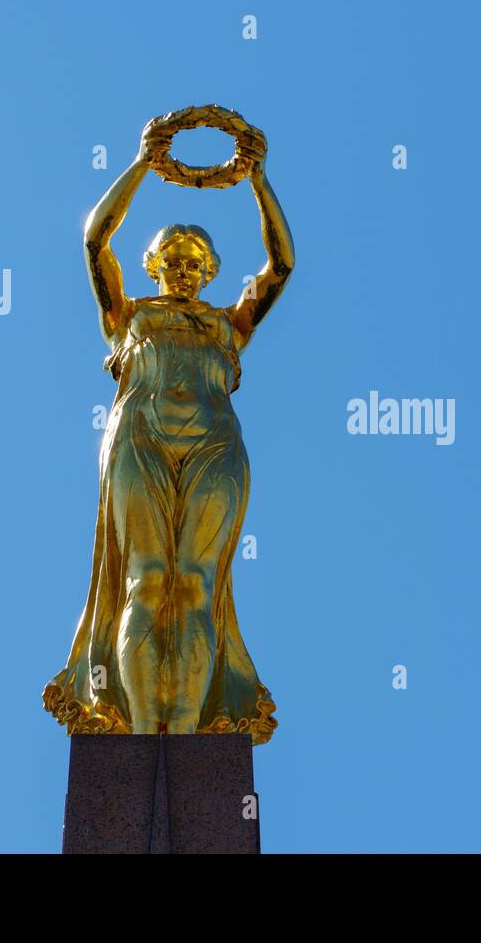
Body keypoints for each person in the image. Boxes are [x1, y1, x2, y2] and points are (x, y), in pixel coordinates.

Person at [42, 116, 294, 742]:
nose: (184, 270)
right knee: (148, 579)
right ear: (153, 265)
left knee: (196, 585)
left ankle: (184, 735)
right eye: (173, 259)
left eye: (196, 262)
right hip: (141, 440)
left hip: (213, 445)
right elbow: (96, 243)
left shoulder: (226, 326)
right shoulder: (126, 316)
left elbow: (282, 267)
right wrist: (142, 163)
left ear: (209, 272)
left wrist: (258, 180)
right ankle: (140, 732)